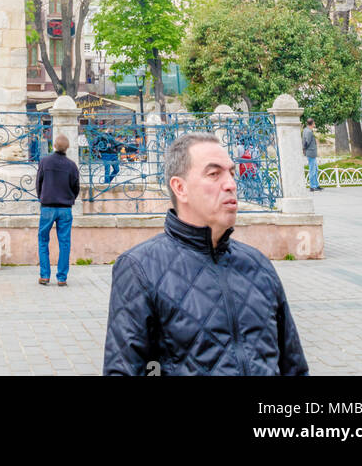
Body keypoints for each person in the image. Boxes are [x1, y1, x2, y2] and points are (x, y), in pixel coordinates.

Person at [103, 131, 309, 375]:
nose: (231, 184)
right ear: (180, 188)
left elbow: (293, 366)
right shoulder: (141, 268)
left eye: (232, 173)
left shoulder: (258, 264)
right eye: (214, 174)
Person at [36, 133, 80, 287]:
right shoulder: (72, 165)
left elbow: (38, 183)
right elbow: (76, 187)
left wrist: (42, 197)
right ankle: (62, 277)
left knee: (43, 240)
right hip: (65, 208)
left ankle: (45, 275)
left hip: (47, 206)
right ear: (67, 148)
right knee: (64, 243)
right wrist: (70, 199)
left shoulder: (45, 162)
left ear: (54, 146)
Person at [302, 118, 320, 193]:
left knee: (315, 169)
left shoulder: (306, 130)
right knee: (312, 170)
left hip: (311, 152)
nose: (314, 124)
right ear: (312, 123)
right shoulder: (308, 131)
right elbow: (307, 142)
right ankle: (313, 186)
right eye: (314, 123)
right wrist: (304, 149)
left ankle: (316, 185)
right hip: (311, 152)